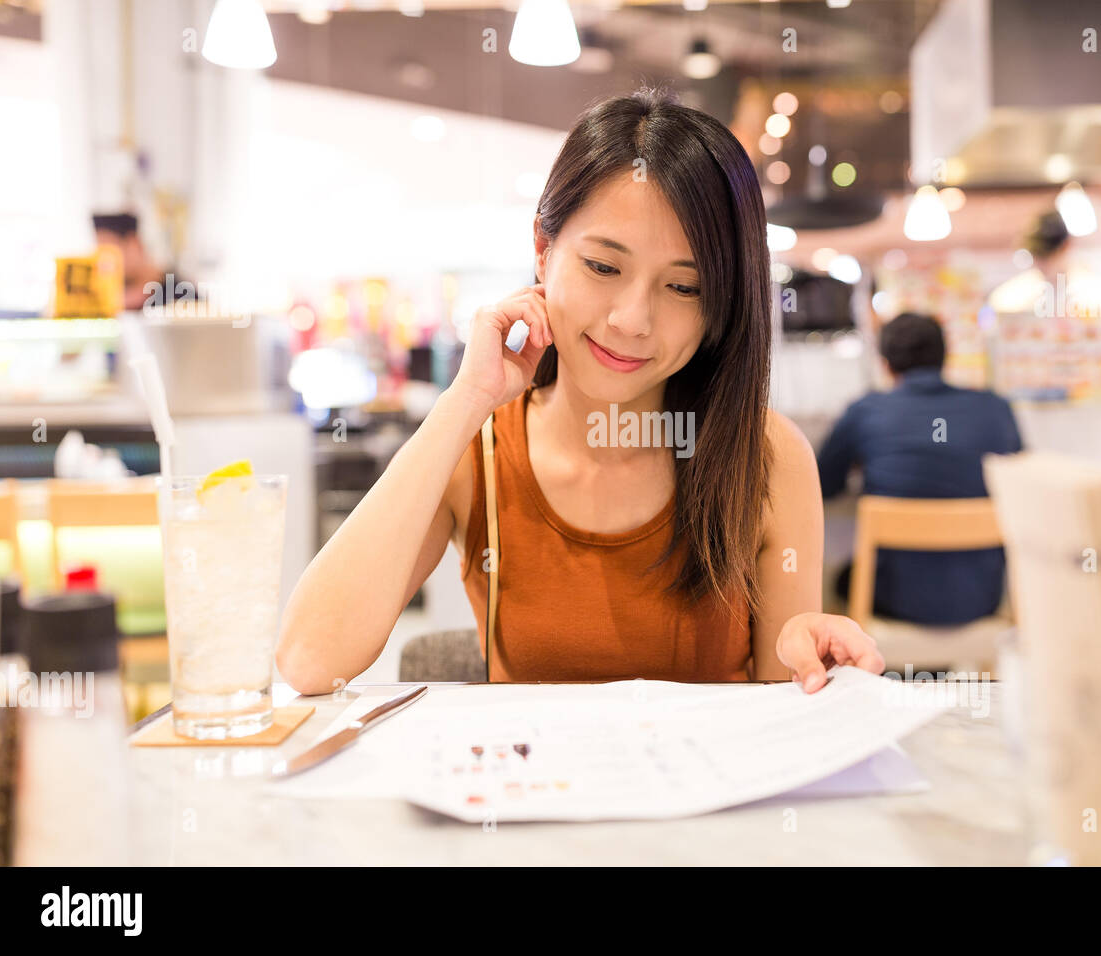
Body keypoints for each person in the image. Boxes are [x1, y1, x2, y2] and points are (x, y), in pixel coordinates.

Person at [278, 88, 884, 695]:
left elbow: (787, 711)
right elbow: (310, 659)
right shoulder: (482, 451)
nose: (632, 320)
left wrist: (813, 657)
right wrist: (465, 400)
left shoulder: (767, 456)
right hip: (529, 787)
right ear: (543, 252)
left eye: (684, 288)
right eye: (603, 267)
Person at [816, 312, 1023, 625]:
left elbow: (824, 484)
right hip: (981, 598)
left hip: (895, 596)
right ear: (945, 358)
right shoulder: (995, 409)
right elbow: (1018, 478)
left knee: (842, 579)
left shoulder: (867, 411)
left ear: (885, 364)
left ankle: (877, 670)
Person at [92, 212, 166, 312]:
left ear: (134, 244)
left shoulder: (179, 294)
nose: (103, 262)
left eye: (109, 251)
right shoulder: (102, 296)